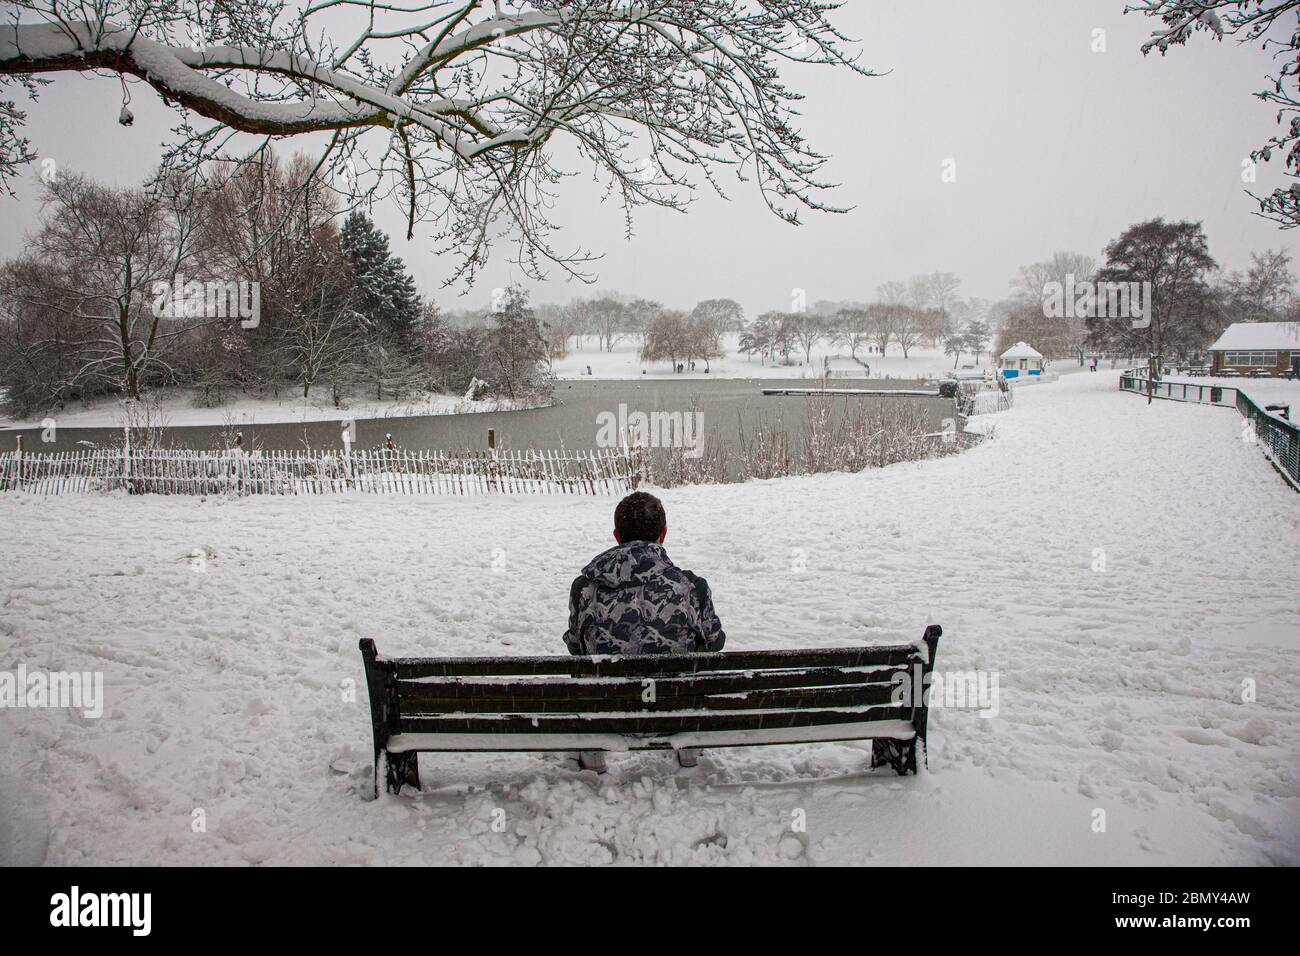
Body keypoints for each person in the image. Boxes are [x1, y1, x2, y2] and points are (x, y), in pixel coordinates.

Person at [562, 491, 725, 772]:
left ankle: (592, 753)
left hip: (606, 716)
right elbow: (715, 642)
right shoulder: (691, 587)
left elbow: (577, 648)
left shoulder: (585, 588)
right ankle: (689, 749)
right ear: (663, 534)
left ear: (616, 536)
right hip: (676, 714)